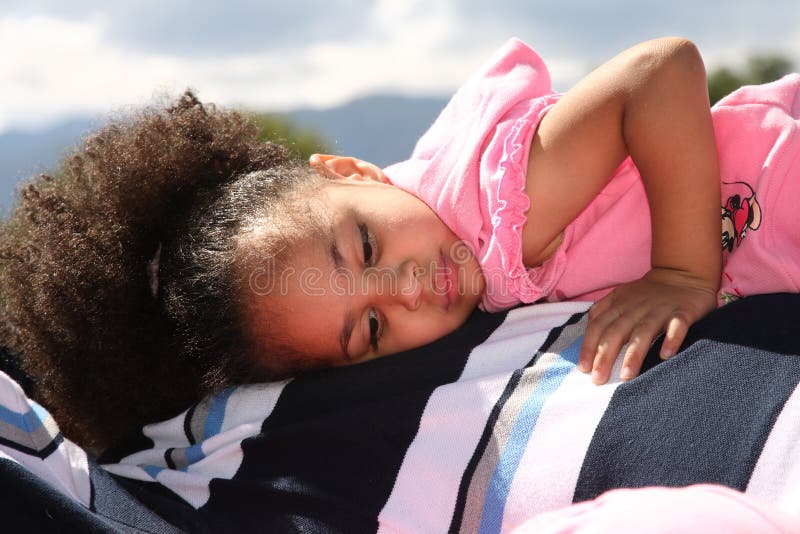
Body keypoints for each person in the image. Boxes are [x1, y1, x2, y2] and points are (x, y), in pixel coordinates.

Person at [1, 37, 797, 450]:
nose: (411, 288)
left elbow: (659, 70)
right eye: (372, 329)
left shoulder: (494, 202)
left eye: (366, 247)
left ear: (356, 171)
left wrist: (684, 270)